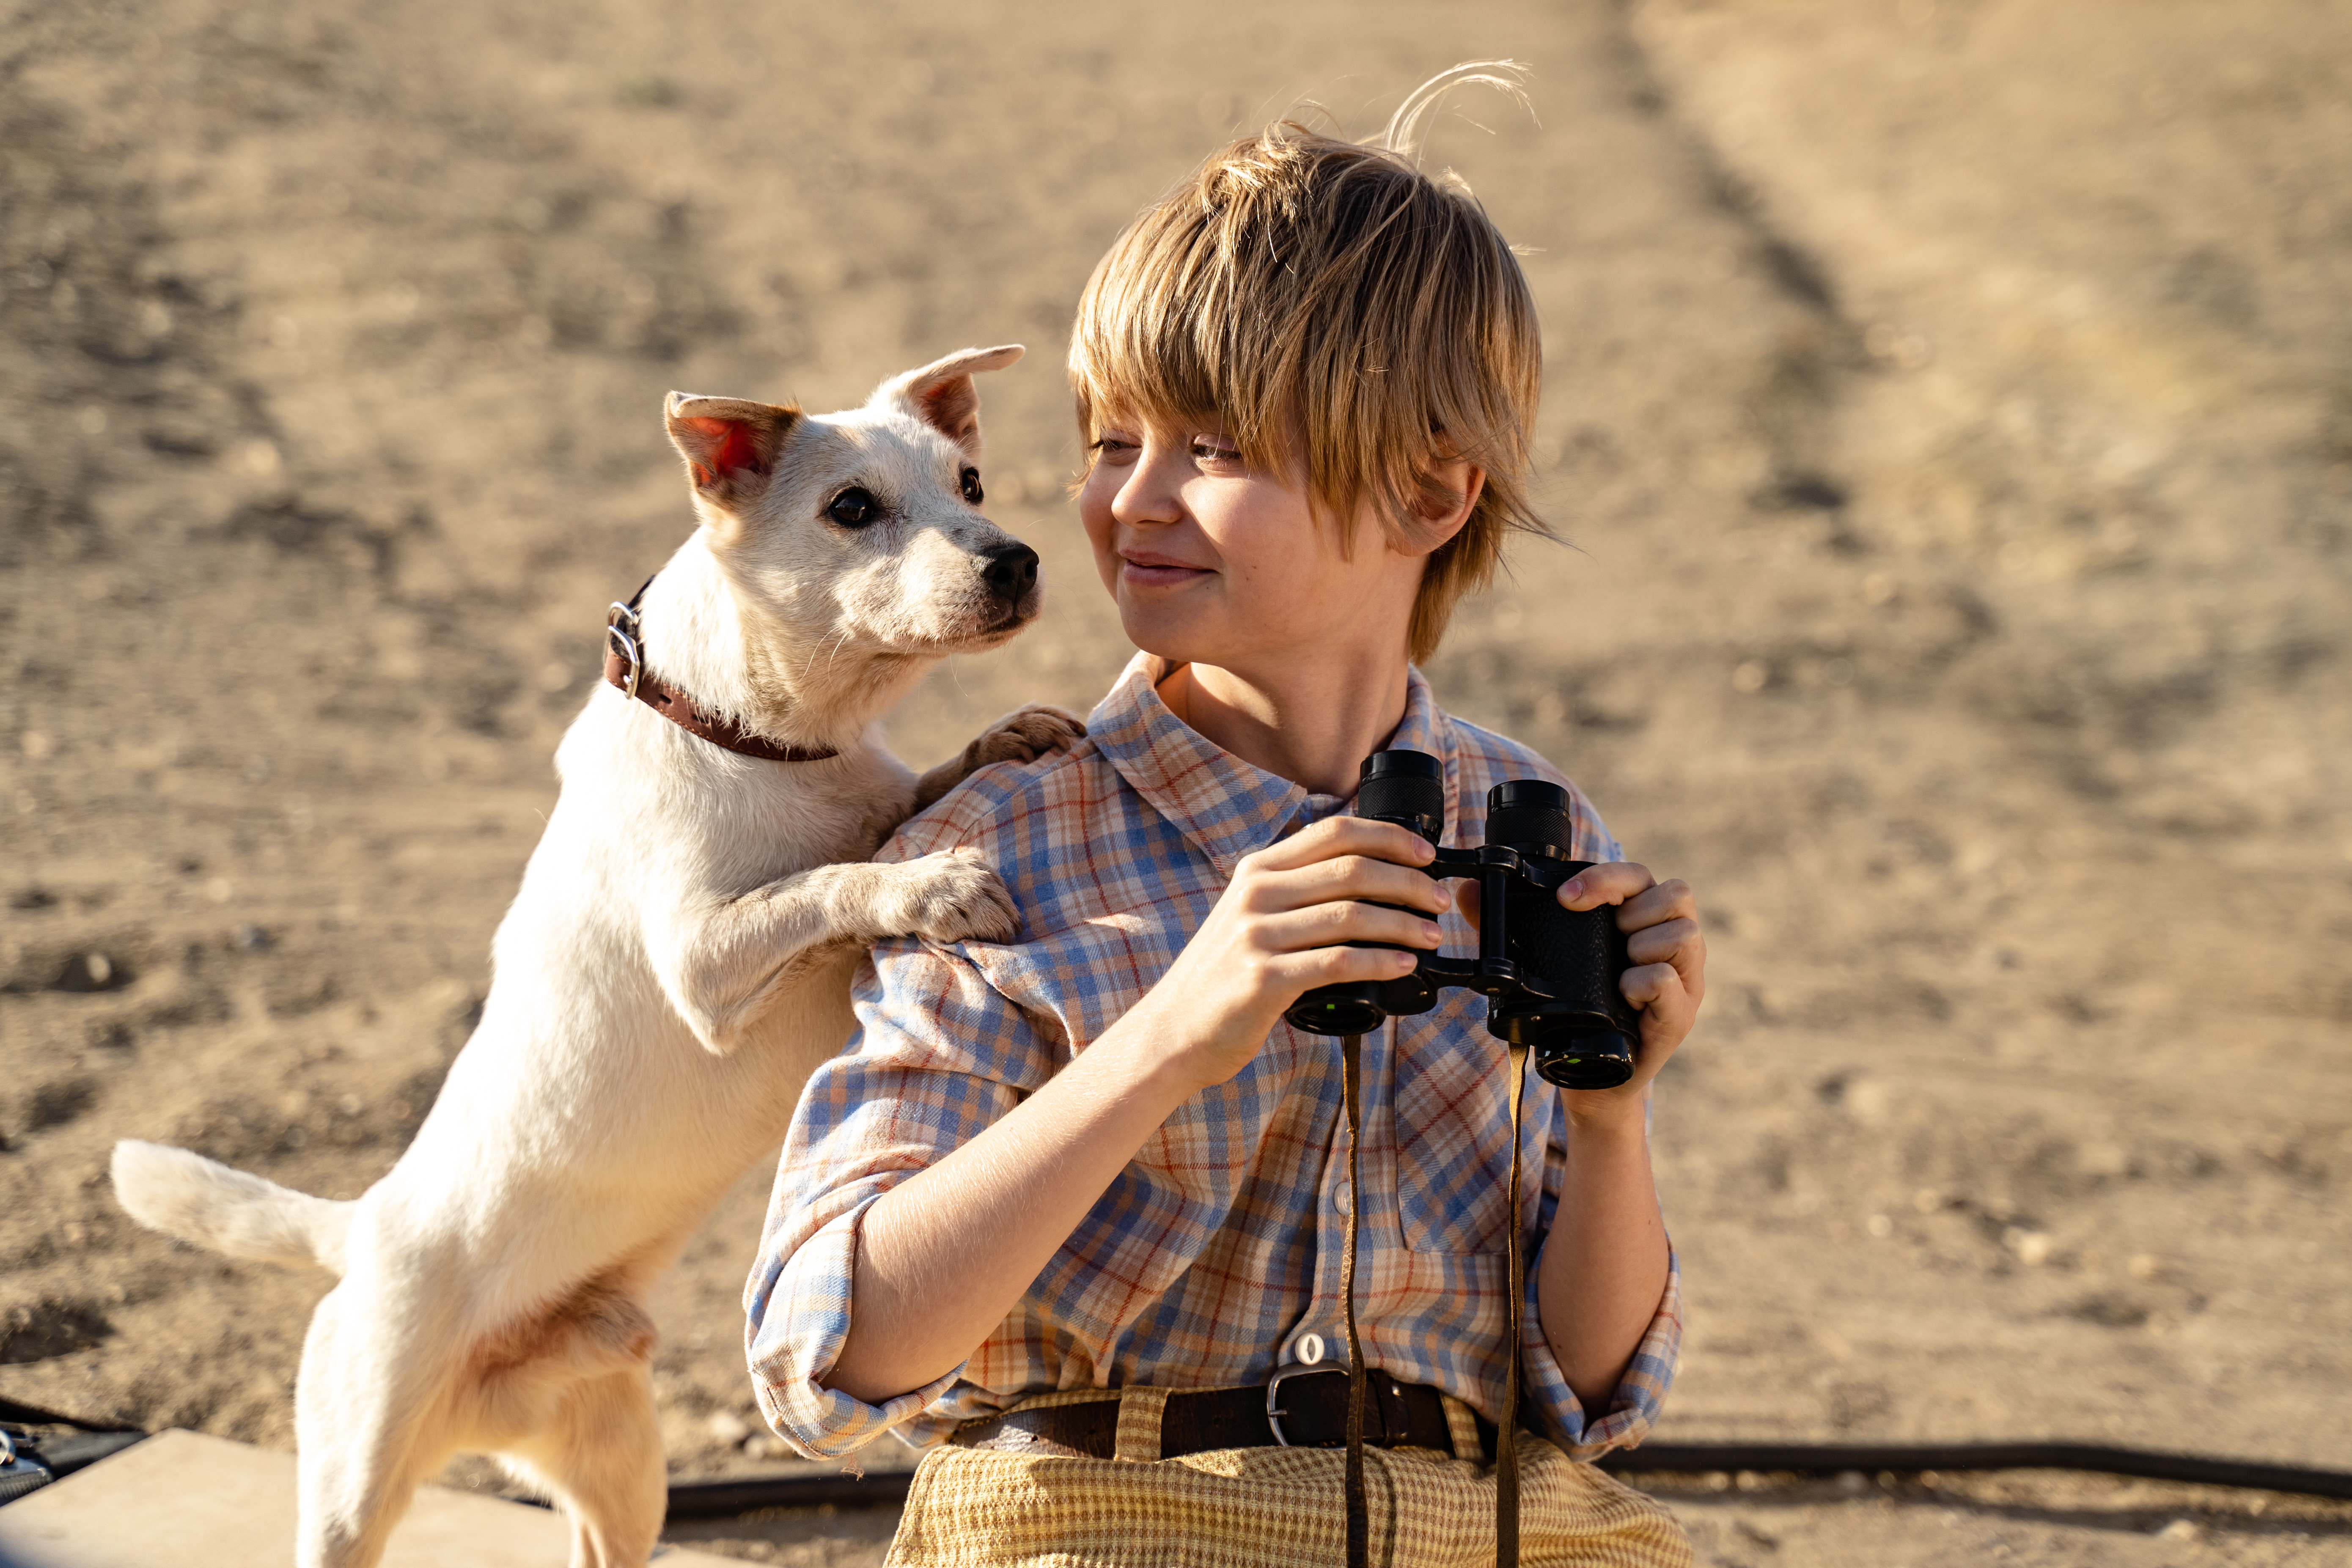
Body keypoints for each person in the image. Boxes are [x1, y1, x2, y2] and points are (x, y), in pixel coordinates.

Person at [745, 65, 1706, 1567]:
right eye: (1111, 440)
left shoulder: (1531, 832)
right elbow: (835, 1344)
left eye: (1217, 448)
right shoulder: (1003, 844)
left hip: (1494, 1525)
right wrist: (1180, 1024)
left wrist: (1613, 1104)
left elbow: (1587, 1388)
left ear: (1432, 493)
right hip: (1107, 1518)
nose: (1133, 500)